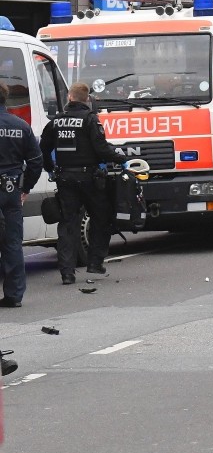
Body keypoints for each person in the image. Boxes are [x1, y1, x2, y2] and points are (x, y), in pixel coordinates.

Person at [39, 83, 120, 284]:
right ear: (87, 99)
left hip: (65, 179)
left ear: (69, 97)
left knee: (68, 224)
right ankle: (94, 262)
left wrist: (50, 168)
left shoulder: (56, 121)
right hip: (89, 179)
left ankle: (67, 273)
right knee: (102, 217)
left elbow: (43, 147)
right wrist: (121, 158)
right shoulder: (91, 120)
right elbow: (102, 150)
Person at [0, 100, 42, 306]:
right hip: (11, 190)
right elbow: (36, 161)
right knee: (12, 243)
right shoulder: (20, 125)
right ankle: (14, 295)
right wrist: (26, 188)